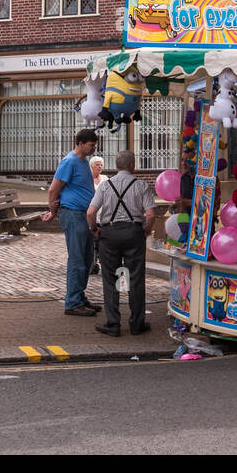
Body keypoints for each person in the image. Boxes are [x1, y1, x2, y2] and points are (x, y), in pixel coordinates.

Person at [86, 149, 157, 336]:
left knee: (110, 278)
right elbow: (150, 214)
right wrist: (145, 231)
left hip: (109, 233)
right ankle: (136, 323)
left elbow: (90, 212)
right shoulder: (141, 185)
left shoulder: (105, 185)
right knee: (136, 278)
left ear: (116, 166)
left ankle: (113, 323)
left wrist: (94, 230)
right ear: (132, 165)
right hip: (134, 232)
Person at [47, 129, 100, 316]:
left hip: (83, 215)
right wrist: (52, 211)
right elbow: (53, 190)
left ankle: (79, 295)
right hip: (74, 215)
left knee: (86, 258)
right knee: (77, 259)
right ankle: (72, 302)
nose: (94, 148)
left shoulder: (83, 162)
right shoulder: (69, 162)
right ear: (80, 143)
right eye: (91, 145)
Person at [88, 156, 109, 275]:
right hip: (91, 213)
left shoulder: (105, 179)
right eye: (97, 165)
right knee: (92, 240)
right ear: (91, 166)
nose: (100, 167)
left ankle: (103, 263)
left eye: (101, 165)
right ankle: (92, 264)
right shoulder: (87, 179)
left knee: (102, 240)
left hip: (103, 213)